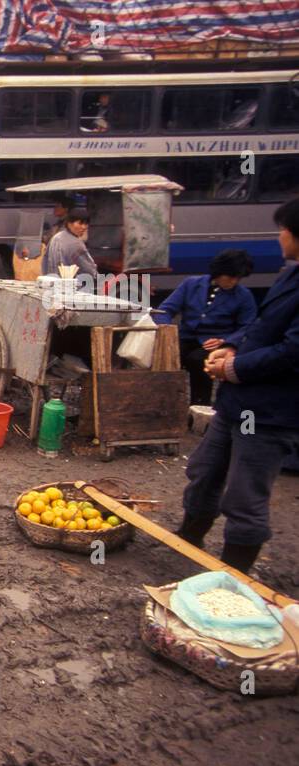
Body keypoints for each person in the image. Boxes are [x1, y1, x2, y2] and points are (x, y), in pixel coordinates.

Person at [175, 198, 299, 574]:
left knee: (245, 496)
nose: (280, 236)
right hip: (236, 403)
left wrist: (234, 366)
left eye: (283, 229)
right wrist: (231, 348)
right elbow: (261, 331)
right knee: (203, 472)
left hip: (270, 410)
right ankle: (187, 544)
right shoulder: (290, 274)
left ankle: (234, 578)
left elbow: (293, 349)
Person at [153, 249, 258, 406]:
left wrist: (226, 341)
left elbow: (248, 325)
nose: (233, 282)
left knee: (198, 361)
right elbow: (165, 310)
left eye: (238, 278)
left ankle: (200, 405)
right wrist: (167, 331)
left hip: (215, 341)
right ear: (219, 271)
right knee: (166, 355)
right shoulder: (191, 284)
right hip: (185, 336)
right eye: (230, 277)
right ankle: (163, 404)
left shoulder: (244, 295)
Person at [42, 208, 99, 282]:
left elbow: (45, 263)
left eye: (86, 224)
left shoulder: (56, 237)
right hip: (73, 287)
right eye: (80, 223)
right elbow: (90, 271)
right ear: (69, 223)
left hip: (52, 283)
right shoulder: (76, 244)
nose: (84, 227)